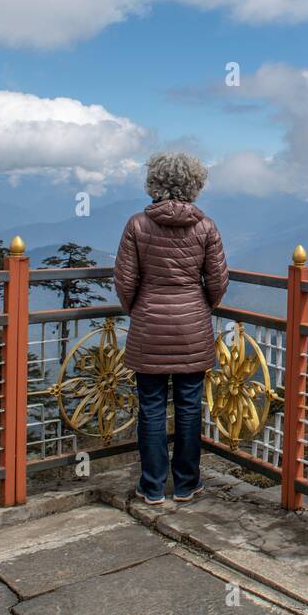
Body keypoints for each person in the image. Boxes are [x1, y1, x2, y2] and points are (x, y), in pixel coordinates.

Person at [114, 152, 228, 504]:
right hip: (192, 327)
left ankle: (151, 486)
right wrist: (200, 307)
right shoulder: (206, 227)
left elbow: (125, 281)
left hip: (149, 327)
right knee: (190, 406)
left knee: (150, 406)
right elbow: (218, 281)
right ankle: (186, 484)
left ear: (155, 183)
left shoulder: (137, 224)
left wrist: (139, 310)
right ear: (194, 185)